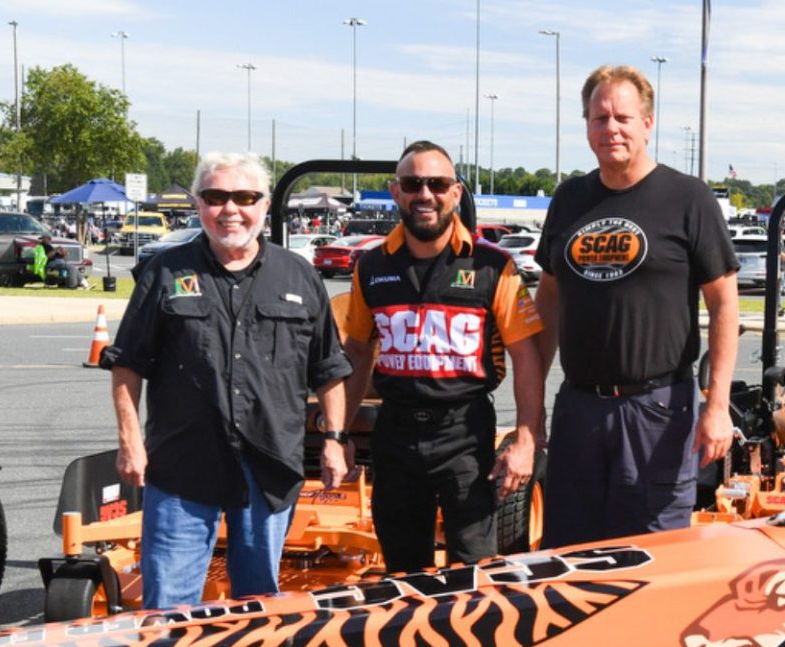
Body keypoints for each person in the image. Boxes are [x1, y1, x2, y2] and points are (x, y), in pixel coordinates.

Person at [109, 151, 352, 609]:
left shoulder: (298, 274)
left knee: (259, 604)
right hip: (183, 465)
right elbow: (127, 364)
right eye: (216, 197)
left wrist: (335, 439)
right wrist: (129, 440)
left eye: (244, 197)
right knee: (167, 606)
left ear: (264, 206)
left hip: (269, 466)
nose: (230, 209)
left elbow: (329, 368)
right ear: (199, 205)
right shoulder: (164, 273)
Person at [533, 64, 739, 548]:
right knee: (569, 550)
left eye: (623, 117)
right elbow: (547, 301)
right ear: (586, 126)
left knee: (651, 552)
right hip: (579, 408)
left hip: (658, 409)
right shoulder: (569, 199)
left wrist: (718, 405)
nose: (611, 129)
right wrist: (531, 410)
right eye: (599, 118)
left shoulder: (688, 198)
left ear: (648, 123)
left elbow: (724, 303)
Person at [338, 140, 544, 571]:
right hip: (395, 435)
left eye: (437, 184)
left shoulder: (493, 266)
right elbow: (358, 350)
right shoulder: (372, 267)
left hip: (466, 436)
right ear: (396, 192)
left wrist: (526, 439)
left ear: (456, 192)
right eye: (413, 184)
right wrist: (337, 434)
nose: (425, 194)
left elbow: (527, 357)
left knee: (473, 570)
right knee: (402, 571)